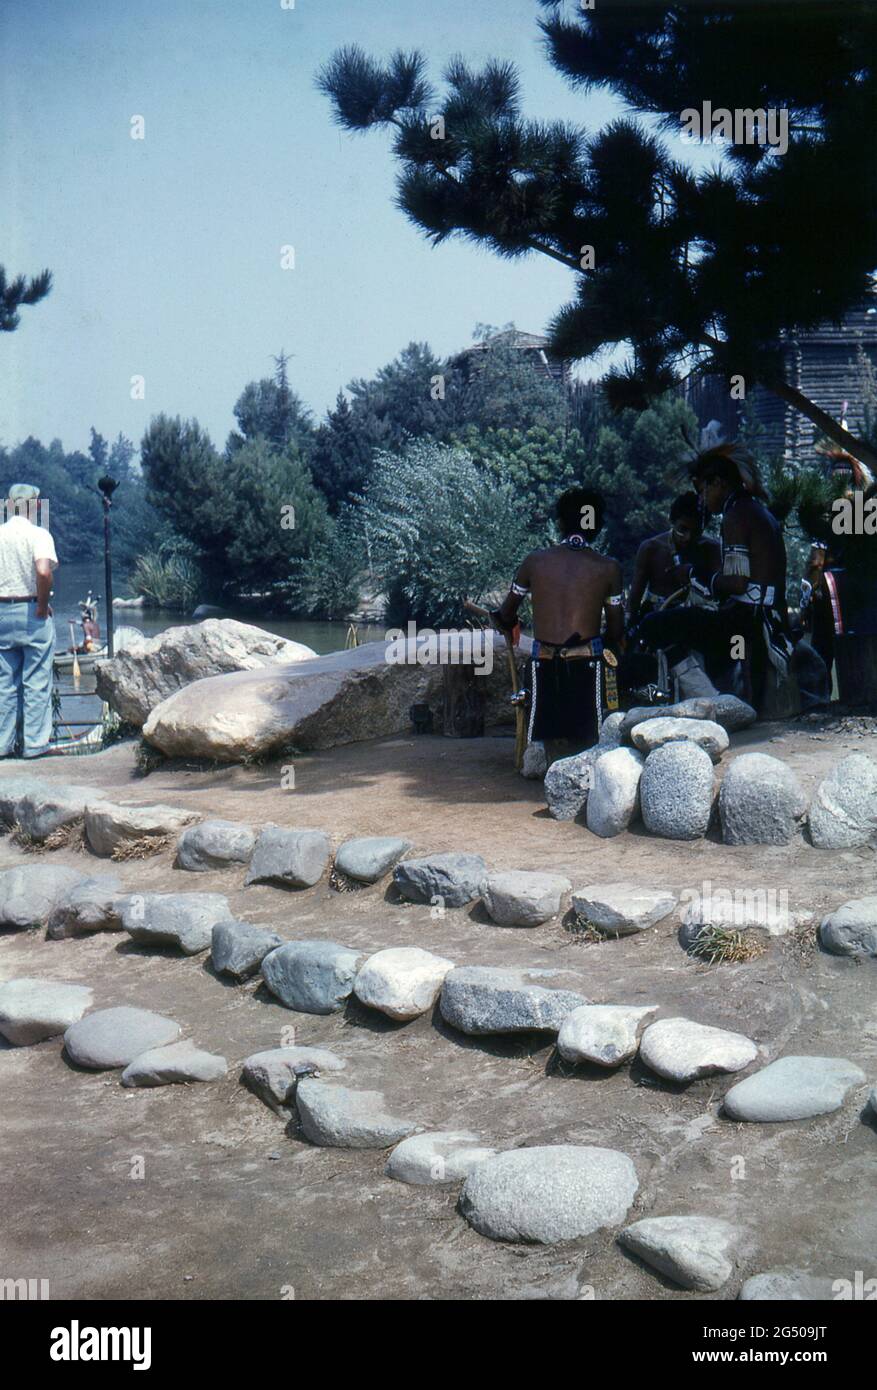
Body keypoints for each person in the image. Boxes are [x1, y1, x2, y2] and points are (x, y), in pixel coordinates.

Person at [634, 444, 791, 706]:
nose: (702, 500)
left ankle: (710, 702)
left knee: (654, 625)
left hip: (749, 619)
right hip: (765, 614)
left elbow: (738, 584)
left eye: (703, 491)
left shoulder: (736, 515)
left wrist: (693, 575)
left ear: (718, 483)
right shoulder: (753, 510)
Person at [492, 487, 624, 765]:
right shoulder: (609, 568)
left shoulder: (534, 562)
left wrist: (506, 622)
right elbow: (615, 632)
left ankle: (538, 755)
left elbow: (505, 613)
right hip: (589, 668)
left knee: (540, 755)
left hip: (543, 668)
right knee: (595, 752)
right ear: (597, 526)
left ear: (560, 523)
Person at [0, 484, 58, 757]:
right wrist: (42, 606)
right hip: (31, 610)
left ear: (9, 505)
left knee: (4, 683)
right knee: (36, 680)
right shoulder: (39, 534)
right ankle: (34, 745)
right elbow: (43, 572)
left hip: (1, 612)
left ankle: (3, 743)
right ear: (35, 505)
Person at [627, 491, 722, 624]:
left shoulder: (712, 550)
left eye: (696, 532)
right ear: (672, 521)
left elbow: (722, 590)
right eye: (683, 529)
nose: (688, 537)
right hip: (656, 619)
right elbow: (634, 598)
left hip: (696, 621)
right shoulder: (651, 548)